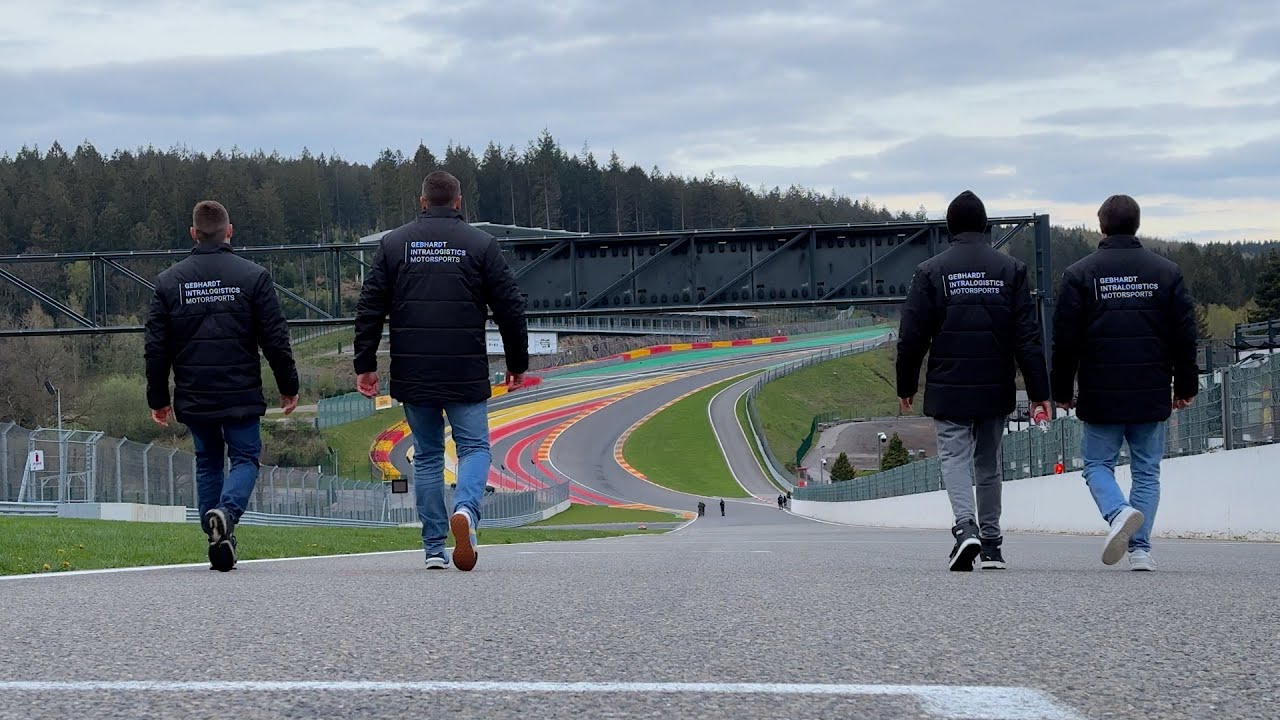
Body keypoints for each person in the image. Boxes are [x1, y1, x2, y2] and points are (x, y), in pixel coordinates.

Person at [354, 171, 528, 572]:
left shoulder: (393, 244)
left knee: (428, 455)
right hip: (464, 367)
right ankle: (466, 512)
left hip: (414, 370)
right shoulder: (481, 244)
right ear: (458, 202)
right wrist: (517, 364)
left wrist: (365, 365)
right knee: (473, 448)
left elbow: (369, 307)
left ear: (422, 201)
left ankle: (434, 547)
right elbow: (509, 308)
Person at [896, 190, 1051, 572]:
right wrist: (1038, 393)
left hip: (949, 384)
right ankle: (993, 545)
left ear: (949, 228)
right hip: (994, 384)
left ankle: (966, 528)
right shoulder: (1010, 269)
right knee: (988, 462)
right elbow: (1027, 337)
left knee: (953, 457)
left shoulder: (930, 271)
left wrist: (906, 385)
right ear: (985, 226)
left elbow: (912, 335)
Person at [144, 200, 299, 572]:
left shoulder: (169, 282)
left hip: (195, 394)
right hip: (240, 392)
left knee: (208, 461)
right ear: (229, 231)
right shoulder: (253, 276)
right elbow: (275, 338)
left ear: (193, 234)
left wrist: (158, 398)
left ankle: (218, 537)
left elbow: (155, 348)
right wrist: (288, 384)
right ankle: (226, 514)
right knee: (245, 458)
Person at [1051, 194, 1198, 572]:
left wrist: (1062, 391)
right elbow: (1184, 335)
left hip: (1101, 391)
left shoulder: (1080, 274)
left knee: (1097, 464)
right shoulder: (1166, 272)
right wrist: (1185, 386)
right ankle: (1141, 550)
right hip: (1150, 389)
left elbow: (1066, 340)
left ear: (1101, 226)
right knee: (1147, 470)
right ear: (1137, 224)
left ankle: (1117, 512)